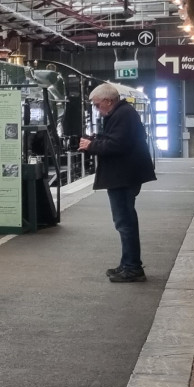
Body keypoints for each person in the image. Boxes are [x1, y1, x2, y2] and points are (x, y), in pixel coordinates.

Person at [78, 84, 157, 282]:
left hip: (124, 176)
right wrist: (98, 139)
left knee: (125, 222)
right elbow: (118, 140)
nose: (97, 109)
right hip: (124, 175)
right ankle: (127, 263)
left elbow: (118, 144)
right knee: (125, 221)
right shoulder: (123, 113)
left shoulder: (123, 115)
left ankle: (132, 267)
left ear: (108, 101)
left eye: (97, 105)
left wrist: (91, 145)